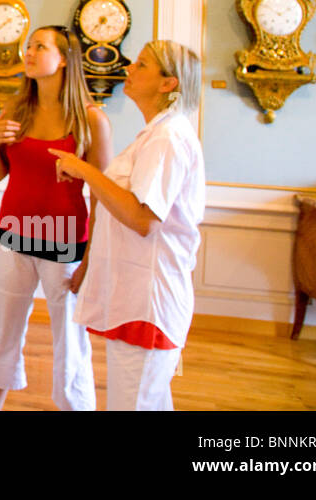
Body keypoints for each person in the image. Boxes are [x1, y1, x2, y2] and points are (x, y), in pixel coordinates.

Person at [50, 40, 204, 411]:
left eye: (143, 65)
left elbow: (143, 218)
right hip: (137, 294)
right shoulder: (157, 134)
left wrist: (84, 169)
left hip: (147, 300)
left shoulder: (166, 139)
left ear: (168, 84)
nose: (130, 68)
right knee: (147, 401)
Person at [0, 25, 111, 411]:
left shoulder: (92, 120)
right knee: (4, 332)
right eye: (28, 45)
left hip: (66, 244)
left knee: (71, 342)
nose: (29, 52)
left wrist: (91, 260)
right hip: (13, 239)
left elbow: (101, 192)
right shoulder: (15, 111)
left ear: (64, 58)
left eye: (40, 46)